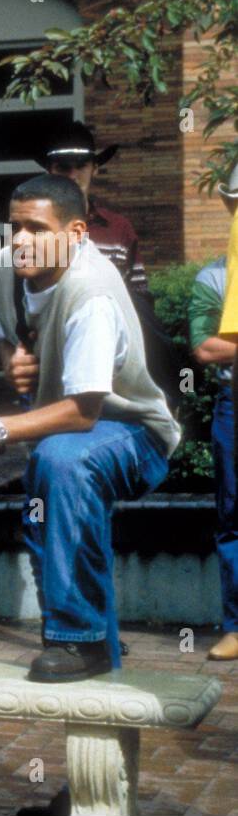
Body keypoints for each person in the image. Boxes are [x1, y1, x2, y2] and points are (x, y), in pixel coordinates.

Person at [0, 174, 179, 683]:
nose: (20, 240)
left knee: (63, 461)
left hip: (132, 431)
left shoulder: (91, 293)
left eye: (36, 229)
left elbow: (85, 411)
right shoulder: (5, 269)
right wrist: (15, 361)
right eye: (14, 226)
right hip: (64, 434)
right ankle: (93, 647)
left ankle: (78, 638)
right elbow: (2, 337)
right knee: (53, 475)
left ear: (77, 232)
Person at [190, 166, 238, 660]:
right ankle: (236, 625)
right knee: (233, 513)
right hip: (232, 402)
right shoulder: (214, 275)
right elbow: (204, 348)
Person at [39, 121, 145, 295]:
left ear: (95, 169)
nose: (73, 176)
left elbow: (139, 297)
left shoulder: (119, 229)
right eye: (63, 167)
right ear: (49, 171)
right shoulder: (30, 229)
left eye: (81, 166)